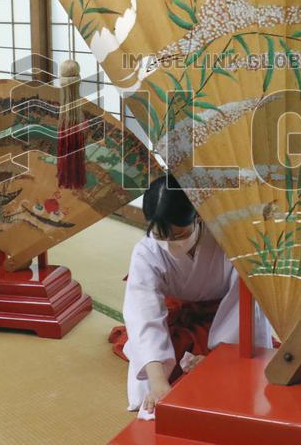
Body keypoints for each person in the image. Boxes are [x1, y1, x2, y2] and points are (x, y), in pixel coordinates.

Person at [109, 174, 273, 417]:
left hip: (223, 317)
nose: (170, 244)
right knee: (162, 367)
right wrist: (157, 382)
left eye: (178, 235)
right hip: (176, 316)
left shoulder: (229, 239)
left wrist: (220, 360)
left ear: (197, 216)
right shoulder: (146, 251)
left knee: (233, 377)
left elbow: (244, 303)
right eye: (161, 236)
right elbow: (144, 313)